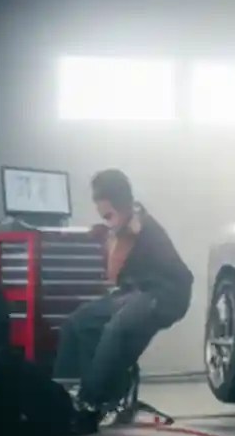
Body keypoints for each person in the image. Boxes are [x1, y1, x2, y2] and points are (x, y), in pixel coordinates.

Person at [53, 169, 193, 418]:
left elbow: (113, 273)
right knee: (80, 322)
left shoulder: (136, 225)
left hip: (167, 292)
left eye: (109, 216)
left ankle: (90, 401)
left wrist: (113, 235)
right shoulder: (125, 223)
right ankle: (82, 391)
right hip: (138, 290)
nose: (108, 222)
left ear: (125, 204)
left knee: (116, 329)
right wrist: (109, 230)